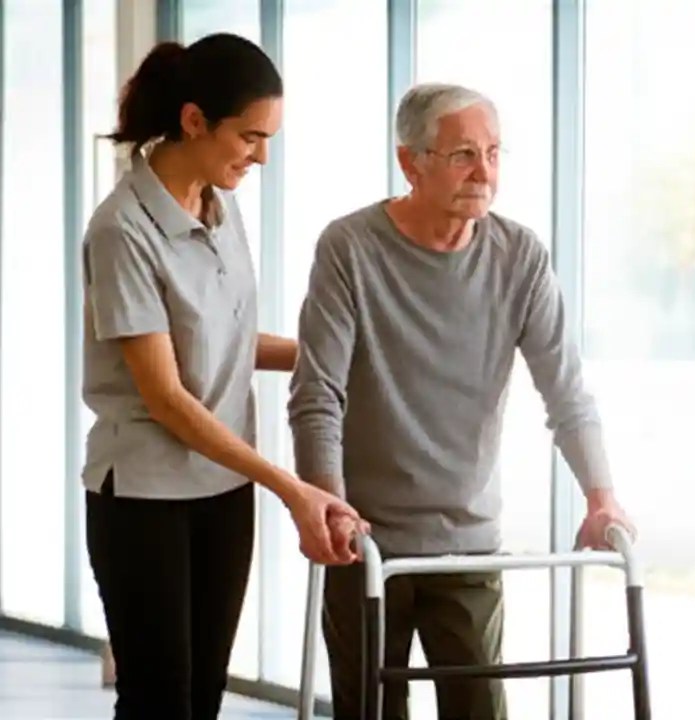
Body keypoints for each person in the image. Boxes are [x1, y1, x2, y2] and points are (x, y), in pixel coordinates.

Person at [288, 82, 636, 720]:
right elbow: (317, 394)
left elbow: (565, 389)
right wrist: (327, 502)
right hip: (364, 541)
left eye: (495, 153)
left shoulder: (520, 257)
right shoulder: (350, 248)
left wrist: (600, 495)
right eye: (463, 155)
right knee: (368, 709)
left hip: (467, 543)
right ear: (410, 162)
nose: (485, 172)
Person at [81, 33, 367, 720]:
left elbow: (228, 345)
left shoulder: (220, 203)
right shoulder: (123, 229)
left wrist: (339, 353)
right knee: (160, 701)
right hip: (144, 498)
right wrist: (290, 486)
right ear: (193, 121)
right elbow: (169, 397)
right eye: (250, 136)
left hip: (222, 491)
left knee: (204, 696)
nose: (261, 156)